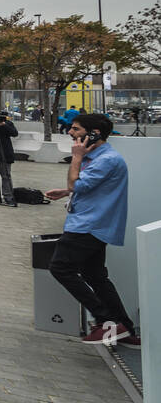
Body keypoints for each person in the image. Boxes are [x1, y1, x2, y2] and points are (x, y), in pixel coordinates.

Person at [44, 113, 139, 346]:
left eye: (75, 129)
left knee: (60, 267)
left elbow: (75, 183)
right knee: (95, 276)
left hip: (89, 225)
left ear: (93, 133)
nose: (70, 133)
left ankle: (106, 320)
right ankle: (124, 327)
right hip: (93, 224)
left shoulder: (105, 159)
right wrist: (67, 193)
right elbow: (84, 187)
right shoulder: (98, 157)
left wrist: (75, 159)